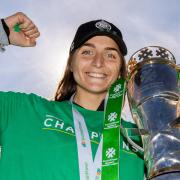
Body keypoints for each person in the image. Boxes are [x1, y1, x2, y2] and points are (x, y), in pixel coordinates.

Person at [0, 12, 145, 179]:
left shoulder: (139, 137)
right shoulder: (23, 111)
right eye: (87, 52)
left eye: (110, 55)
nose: (98, 62)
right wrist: (1, 31)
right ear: (70, 63)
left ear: (120, 71)